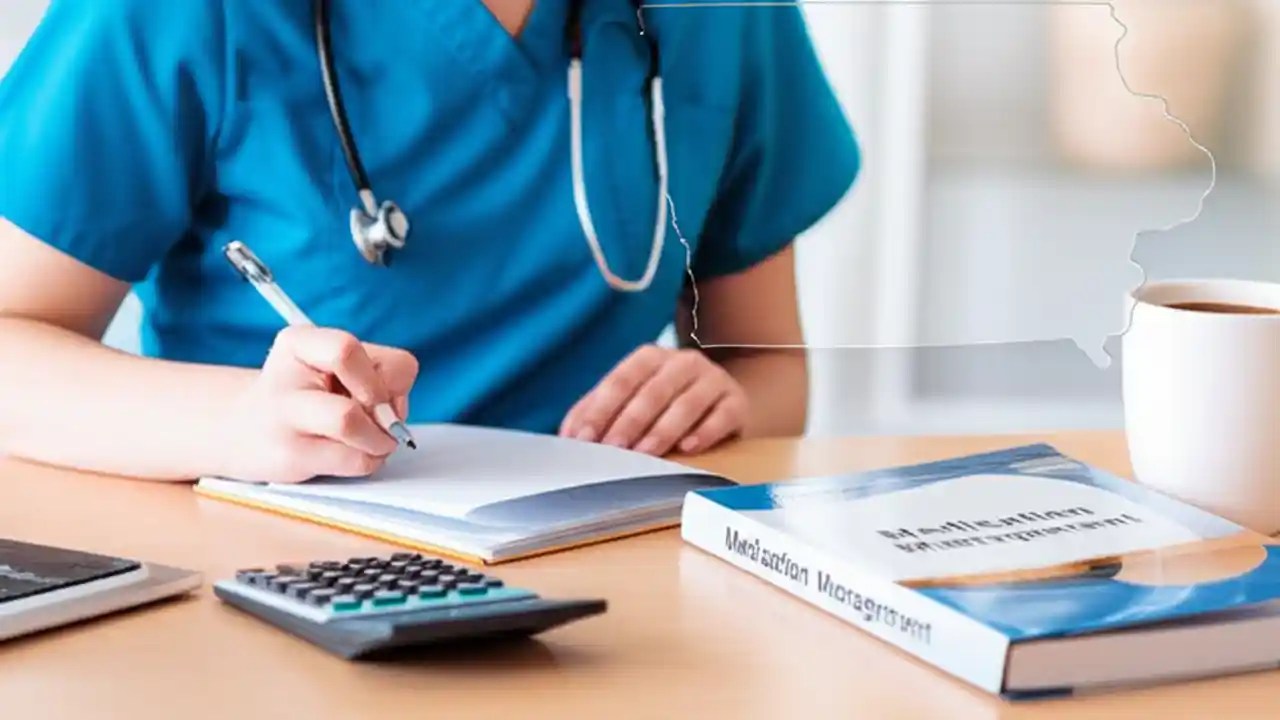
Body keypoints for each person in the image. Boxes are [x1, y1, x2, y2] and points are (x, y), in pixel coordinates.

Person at [0, 0, 860, 484]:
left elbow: (770, 370)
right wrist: (236, 423)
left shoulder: (727, 15)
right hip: (271, 554)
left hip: (611, 575)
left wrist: (724, 402)